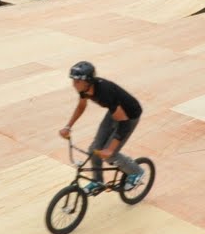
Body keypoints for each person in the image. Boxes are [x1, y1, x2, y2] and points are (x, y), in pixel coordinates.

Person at [59, 61, 145, 195]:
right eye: (73, 80)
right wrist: (68, 126)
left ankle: (136, 172)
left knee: (110, 155)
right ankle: (97, 182)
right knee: (94, 149)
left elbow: (124, 124)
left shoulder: (104, 94)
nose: (73, 84)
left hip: (129, 116)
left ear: (88, 81)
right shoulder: (84, 89)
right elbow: (81, 106)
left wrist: (110, 149)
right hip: (115, 112)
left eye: (77, 81)